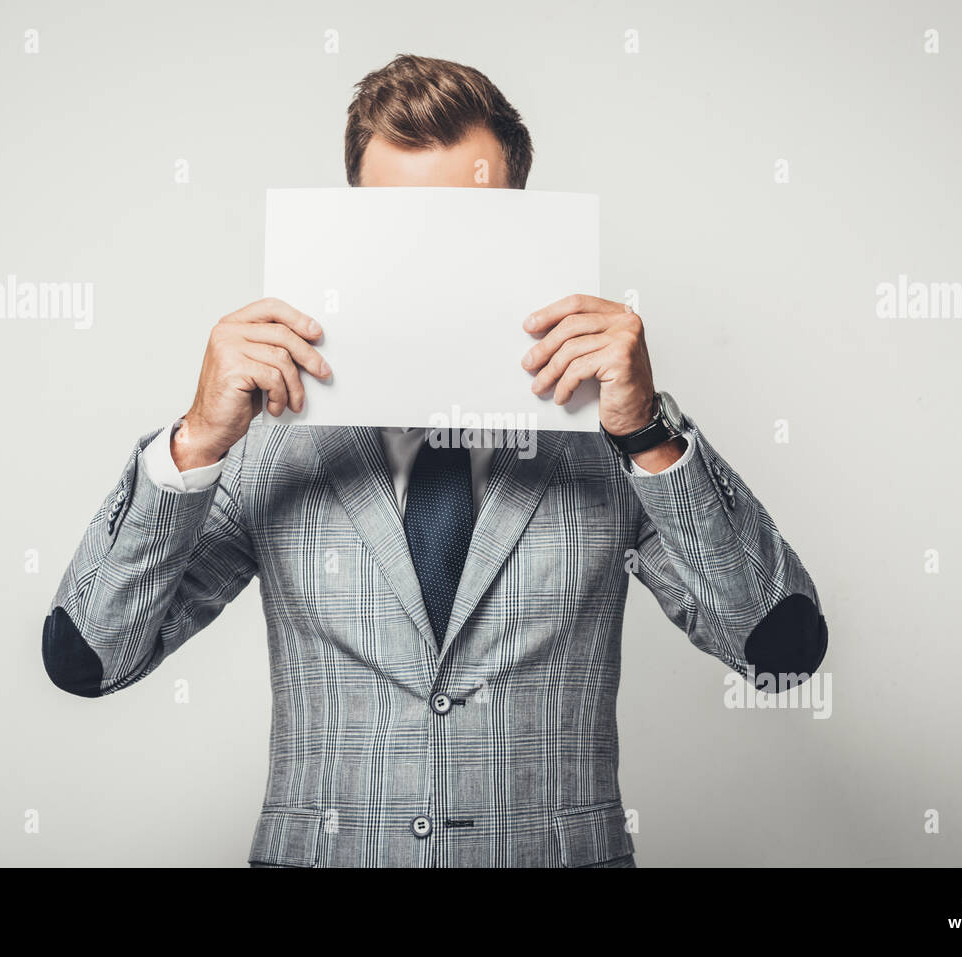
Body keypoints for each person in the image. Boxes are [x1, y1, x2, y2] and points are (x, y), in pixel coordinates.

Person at [42, 53, 828, 867]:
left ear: (524, 220)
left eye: (469, 225)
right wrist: (194, 442)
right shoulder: (269, 437)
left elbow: (779, 649)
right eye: (396, 228)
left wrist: (646, 436)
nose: (433, 261)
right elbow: (90, 657)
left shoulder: (612, 436)